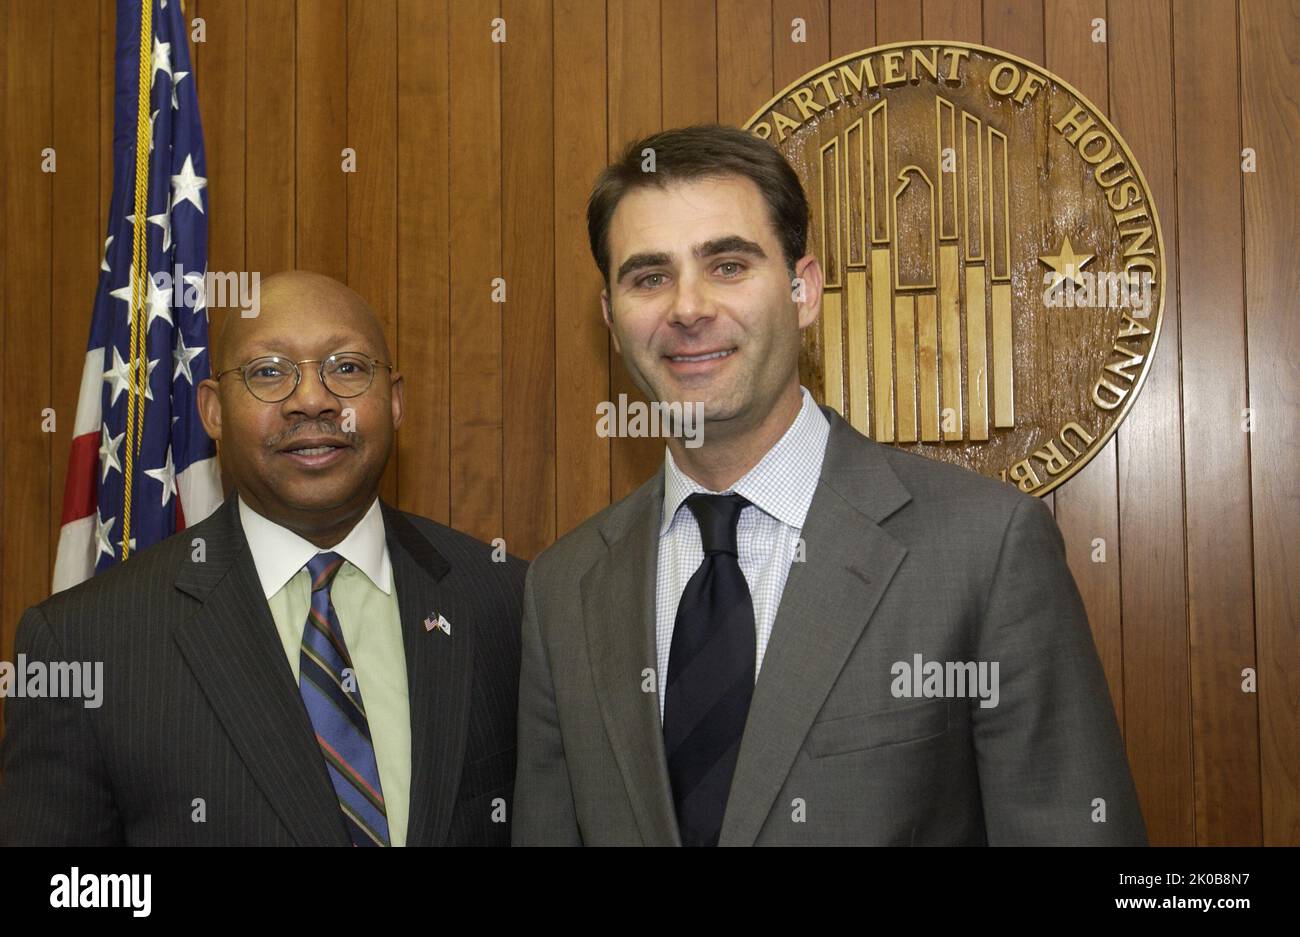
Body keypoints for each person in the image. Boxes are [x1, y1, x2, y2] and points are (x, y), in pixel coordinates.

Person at [512, 125, 1147, 846]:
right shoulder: (562, 590)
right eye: (649, 277)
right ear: (611, 317)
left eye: (727, 265)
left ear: (804, 290)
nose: (687, 308)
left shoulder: (985, 551)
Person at [0, 271, 523, 846]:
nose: (312, 400)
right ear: (213, 410)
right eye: (268, 372)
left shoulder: (507, 601)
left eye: (347, 367)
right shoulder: (83, 642)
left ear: (394, 400)